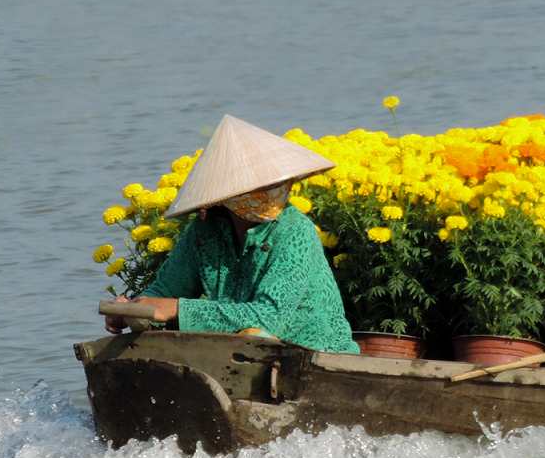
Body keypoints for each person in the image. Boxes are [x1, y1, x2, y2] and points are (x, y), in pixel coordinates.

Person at [105, 115, 358, 353]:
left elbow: (269, 318)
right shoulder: (205, 233)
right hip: (241, 354)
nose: (271, 192)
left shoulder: (295, 231)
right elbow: (164, 292)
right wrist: (133, 309)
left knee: (256, 334)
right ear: (225, 196)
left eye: (275, 184)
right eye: (258, 186)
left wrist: (179, 309)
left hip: (315, 353)